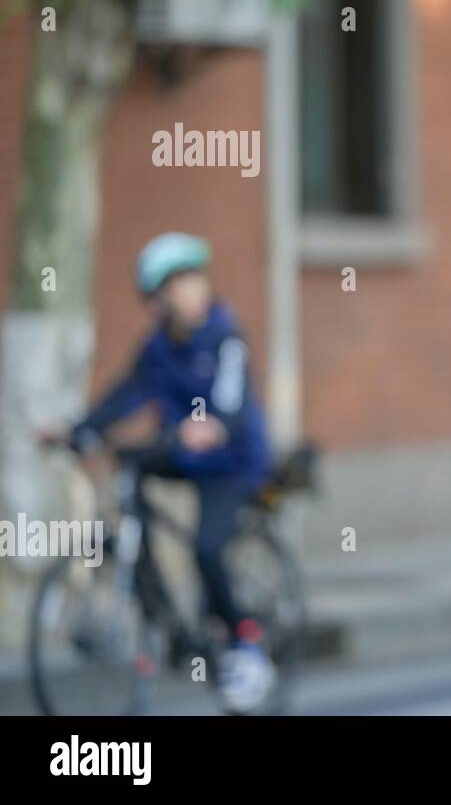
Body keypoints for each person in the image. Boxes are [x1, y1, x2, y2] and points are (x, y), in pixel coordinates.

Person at [49, 232, 277, 713]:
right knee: (129, 467)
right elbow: (127, 394)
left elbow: (233, 403)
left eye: (195, 279)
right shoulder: (157, 346)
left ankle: (246, 645)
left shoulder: (224, 334)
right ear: (158, 299)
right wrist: (77, 430)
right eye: (179, 284)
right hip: (184, 453)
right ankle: (161, 612)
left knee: (206, 547)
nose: (193, 291)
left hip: (231, 463)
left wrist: (213, 425)